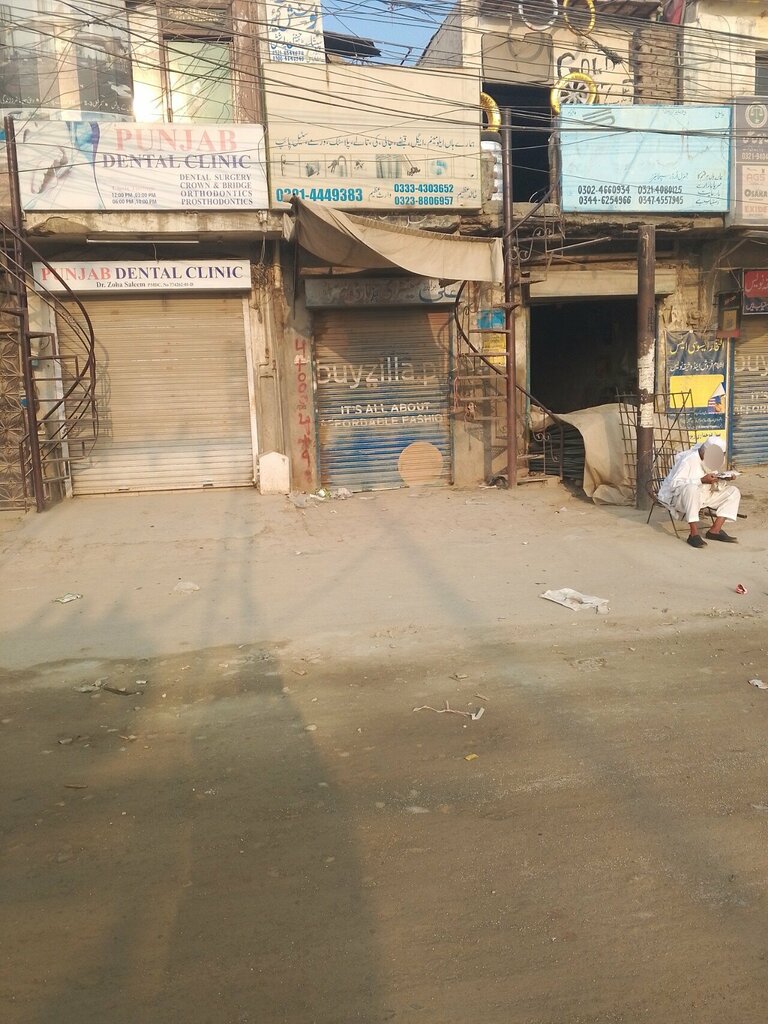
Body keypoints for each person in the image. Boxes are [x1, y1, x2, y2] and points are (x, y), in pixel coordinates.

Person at [657, 435, 741, 548]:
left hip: (705, 495)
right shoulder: (689, 460)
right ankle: (693, 534)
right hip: (681, 498)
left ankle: (715, 531)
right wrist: (701, 480)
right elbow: (674, 484)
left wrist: (723, 478)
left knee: (733, 491)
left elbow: (713, 480)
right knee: (692, 489)